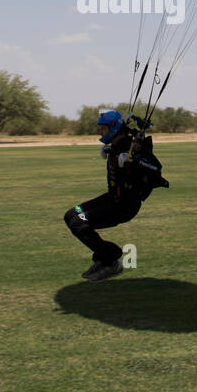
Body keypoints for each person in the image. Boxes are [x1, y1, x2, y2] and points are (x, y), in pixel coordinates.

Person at [63, 109, 168, 282]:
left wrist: (133, 160)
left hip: (124, 206)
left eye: (103, 128)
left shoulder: (131, 147)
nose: (101, 132)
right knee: (70, 215)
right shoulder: (117, 146)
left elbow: (155, 168)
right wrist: (110, 152)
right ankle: (105, 258)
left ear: (113, 128)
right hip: (112, 198)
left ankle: (110, 259)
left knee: (78, 222)